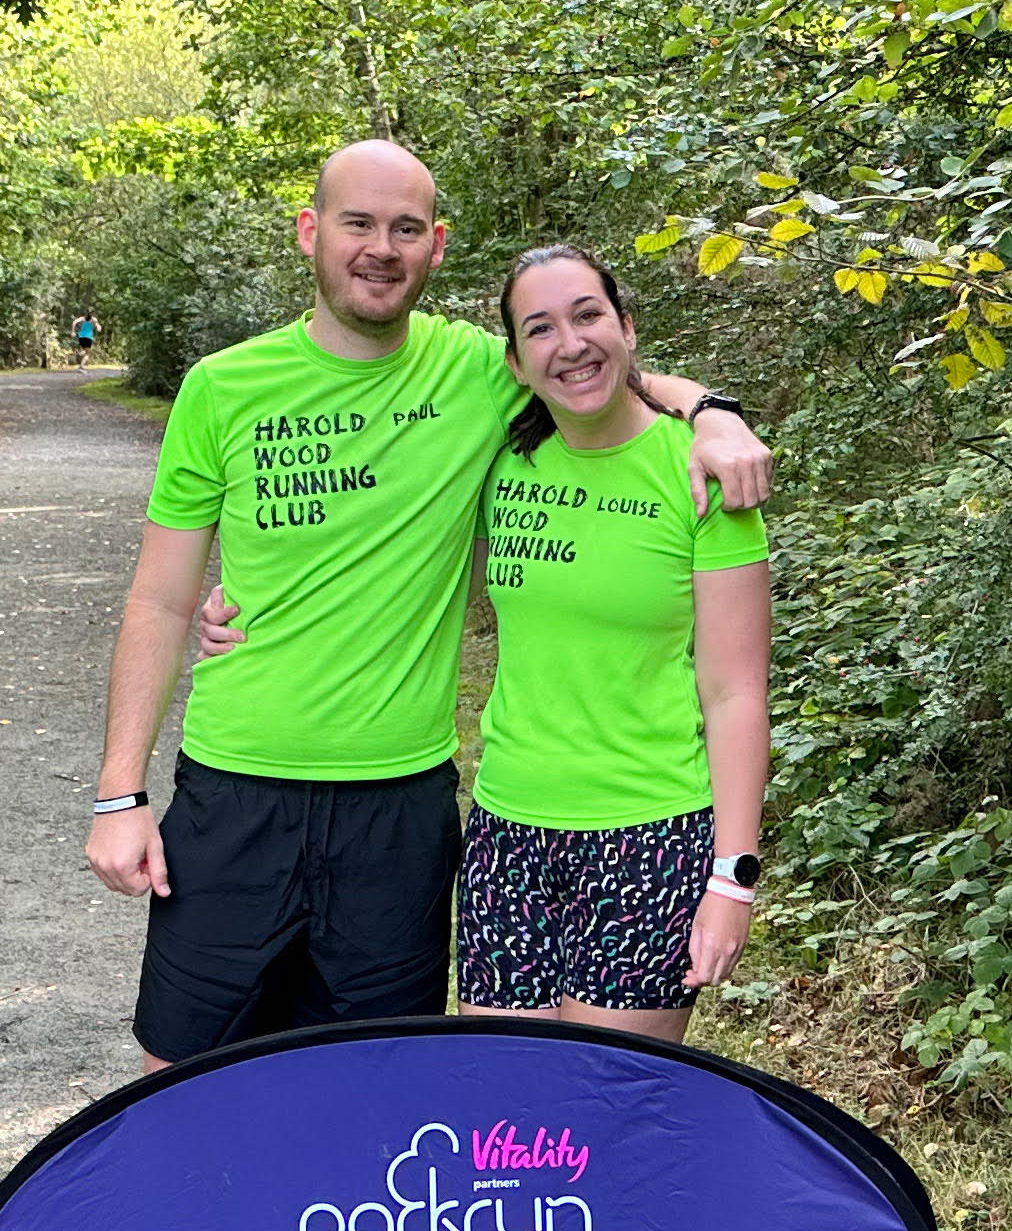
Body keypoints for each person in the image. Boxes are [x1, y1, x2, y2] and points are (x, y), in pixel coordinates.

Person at [82, 138, 770, 1068]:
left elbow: (593, 365)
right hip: (234, 788)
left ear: (435, 245)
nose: (381, 247)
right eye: (357, 222)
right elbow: (161, 602)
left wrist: (717, 411)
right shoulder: (222, 387)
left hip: (400, 808)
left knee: (382, 1087)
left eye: (405, 228)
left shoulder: (479, 371)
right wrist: (119, 791)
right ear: (309, 232)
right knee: (182, 1081)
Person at [457, 245, 769, 1043]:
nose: (570, 342)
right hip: (505, 833)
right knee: (503, 1114)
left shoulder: (701, 475)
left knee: (608, 1114)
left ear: (627, 327)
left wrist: (731, 878)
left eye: (588, 315)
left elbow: (734, 693)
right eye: (541, 328)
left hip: (647, 837)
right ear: (517, 363)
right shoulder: (500, 458)